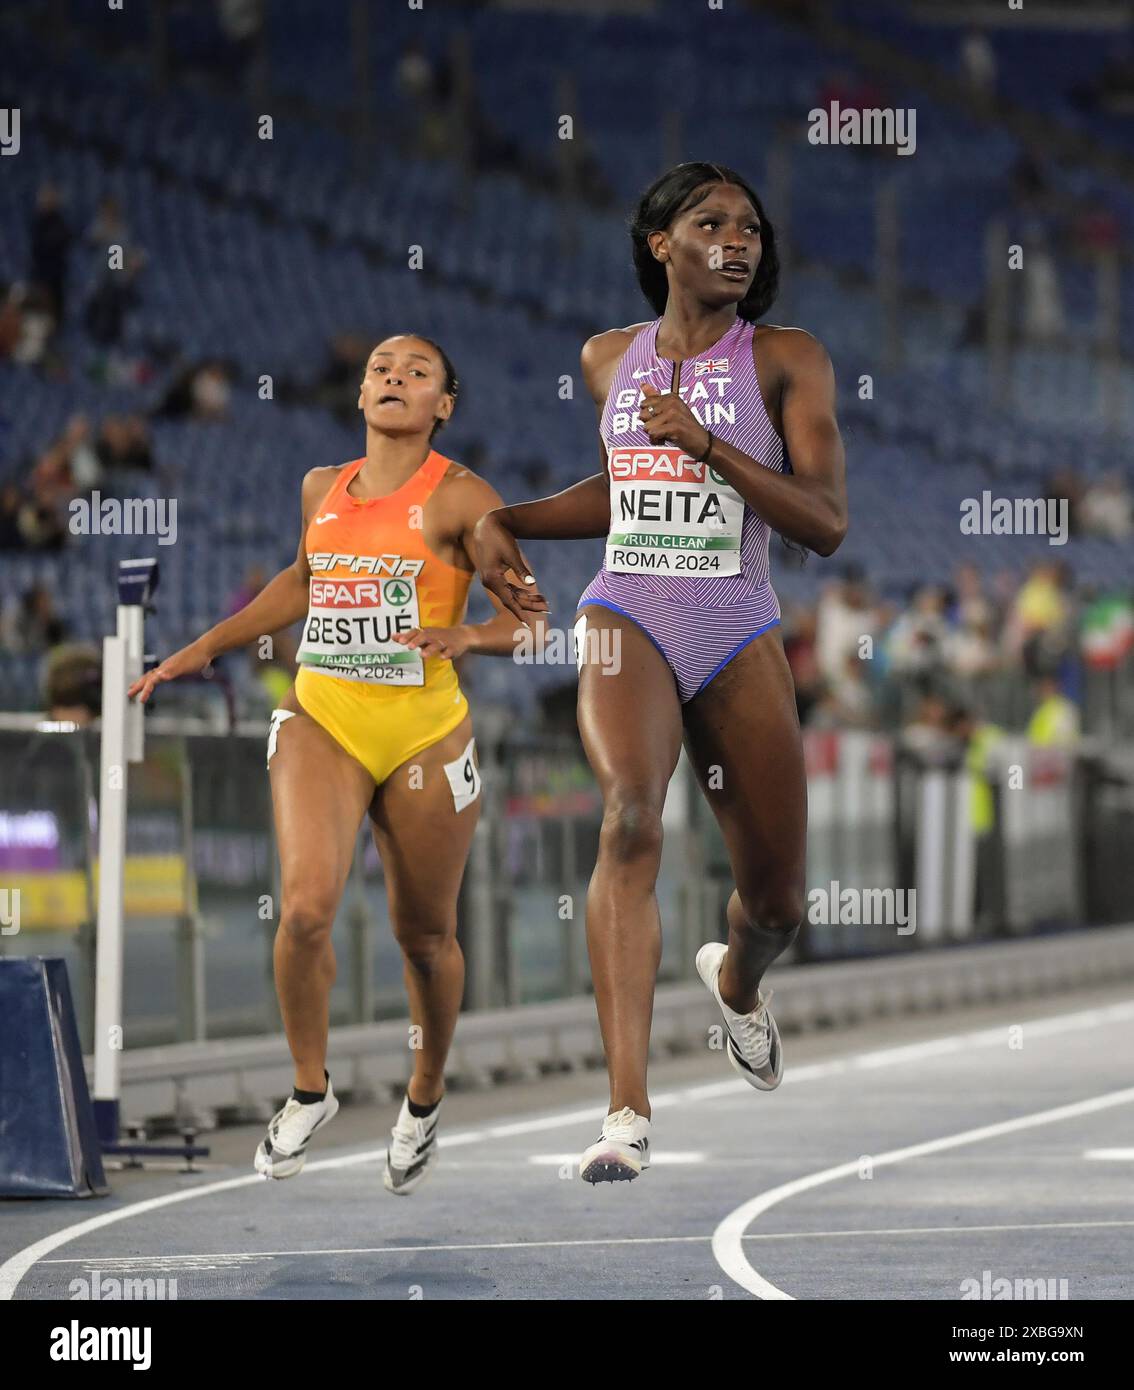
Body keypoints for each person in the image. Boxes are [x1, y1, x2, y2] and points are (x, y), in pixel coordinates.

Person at [472, 162, 847, 1183]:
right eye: (710, 221)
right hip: (626, 608)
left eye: (751, 228)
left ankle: (734, 985)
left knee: (776, 905)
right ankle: (626, 1111)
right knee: (630, 815)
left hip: (736, 626)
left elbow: (824, 522)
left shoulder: (787, 358)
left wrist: (713, 444)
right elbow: (623, 490)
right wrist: (507, 517)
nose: (737, 238)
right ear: (659, 244)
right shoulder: (608, 359)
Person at [129, 334, 532, 1194]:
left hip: (426, 731)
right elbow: (304, 582)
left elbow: (530, 621)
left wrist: (465, 634)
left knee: (424, 937)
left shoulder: (464, 499)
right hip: (325, 713)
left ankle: (424, 1096)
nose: (395, 378)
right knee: (306, 909)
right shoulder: (320, 487)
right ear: (358, 394)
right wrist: (201, 649)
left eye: (417, 372)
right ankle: (310, 1091)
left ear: (443, 405)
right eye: (381, 369)